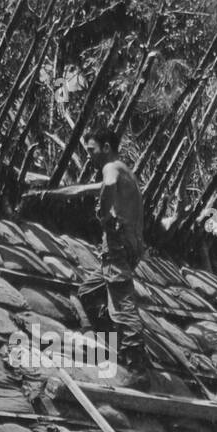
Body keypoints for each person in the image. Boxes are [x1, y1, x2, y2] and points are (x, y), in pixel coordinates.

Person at [74, 129, 151, 383]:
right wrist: (49, 194)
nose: (88, 157)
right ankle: (116, 345)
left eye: (91, 151)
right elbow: (85, 189)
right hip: (125, 249)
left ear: (106, 147)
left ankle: (138, 368)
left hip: (117, 248)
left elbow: (106, 186)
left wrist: (103, 214)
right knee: (88, 292)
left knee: (121, 306)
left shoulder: (111, 168)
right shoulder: (124, 172)